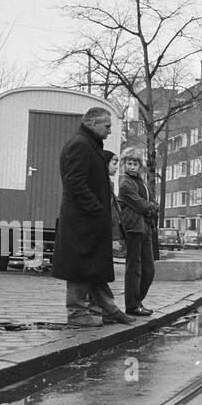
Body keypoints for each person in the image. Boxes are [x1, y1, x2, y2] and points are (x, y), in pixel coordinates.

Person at [51, 107, 133, 327]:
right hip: (83, 220)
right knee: (80, 267)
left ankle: (104, 310)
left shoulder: (88, 144)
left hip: (88, 219)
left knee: (91, 266)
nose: (109, 131)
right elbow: (75, 183)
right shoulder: (80, 145)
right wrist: (96, 208)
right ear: (93, 123)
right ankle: (78, 313)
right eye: (107, 126)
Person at [118, 147, 159, 316]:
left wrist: (149, 208)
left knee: (149, 269)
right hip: (134, 228)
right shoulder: (125, 183)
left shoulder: (141, 182)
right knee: (134, 267)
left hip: (146, 228)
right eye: (129, 163)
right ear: (124, 164)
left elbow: (147, 203)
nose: (132, 166)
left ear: (140, 165)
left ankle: (137, 300)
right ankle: (132, 305)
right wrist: (151, 208)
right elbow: (141, 204)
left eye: (135, 163)